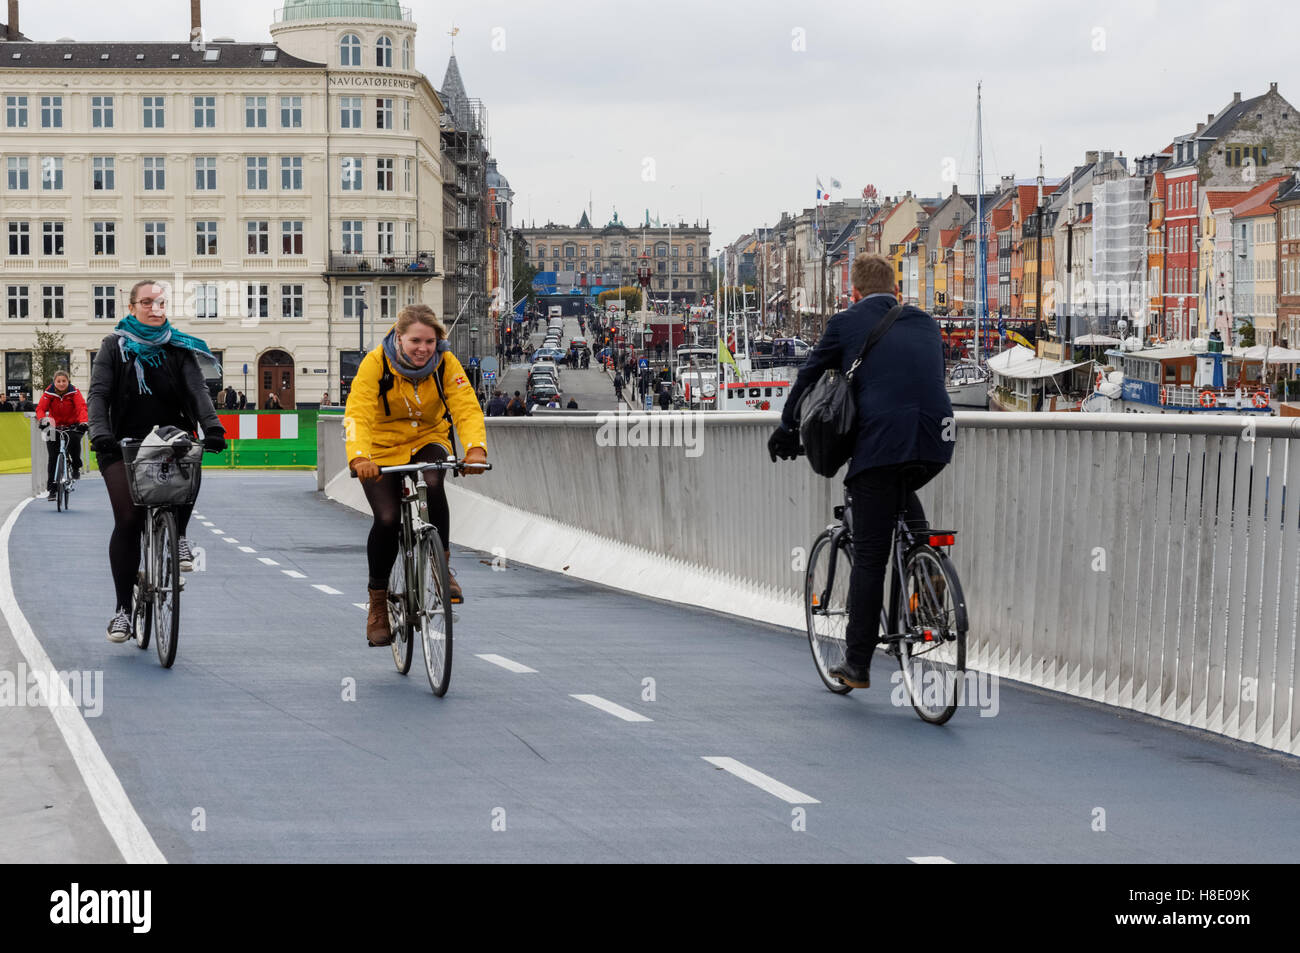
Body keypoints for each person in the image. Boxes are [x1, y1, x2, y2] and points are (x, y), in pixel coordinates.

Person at [768, 253, 954, 689]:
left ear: (853, 293)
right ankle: (927, 574)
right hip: (937, 438)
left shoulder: (845, 323)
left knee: (871, 556)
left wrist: (786, 427)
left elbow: (808, 377)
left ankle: (857, 664)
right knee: (899, 490)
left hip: (882, 443)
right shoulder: (926, 323)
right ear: (897, 291)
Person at [88, 279, 226, 643]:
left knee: (189, 463)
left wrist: (212, 428)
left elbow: (198, 392)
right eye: (146, 302)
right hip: (121, 443)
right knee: (130, 517)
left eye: (160, 302)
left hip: (170, 437)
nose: (153, 309)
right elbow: (99, 394)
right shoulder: (113, 347)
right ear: (131, 307)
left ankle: (178, 535)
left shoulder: (179, 349)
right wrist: (99, 431)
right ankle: (122, 611)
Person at [345, 304, 487, 647]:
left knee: (433, 480)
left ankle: (442, 569)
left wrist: (475, 449)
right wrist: (359, 456)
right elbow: (358, 411)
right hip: (380, 448)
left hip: (428, 438)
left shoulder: (445, 363)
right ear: (399, 337)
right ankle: (378, 602)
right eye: (415, 341)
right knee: (388, 517)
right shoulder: (376, 363)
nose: (424, 348)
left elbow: (465, 406)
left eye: (430, 341)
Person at [35, 371, 88, 499]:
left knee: (74, 442)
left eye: (64, 381)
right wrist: (42, 419)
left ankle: (76, 466)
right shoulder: (49, 393)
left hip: (72, 425)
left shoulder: (74, 392)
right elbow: (41, 409)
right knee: (53, 458)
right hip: (53, 426)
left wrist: (83, 422)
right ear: (54, 382)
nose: (61, 384)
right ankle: (52, 490)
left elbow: (81, 407)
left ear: (68, 381)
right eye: (58, 381)